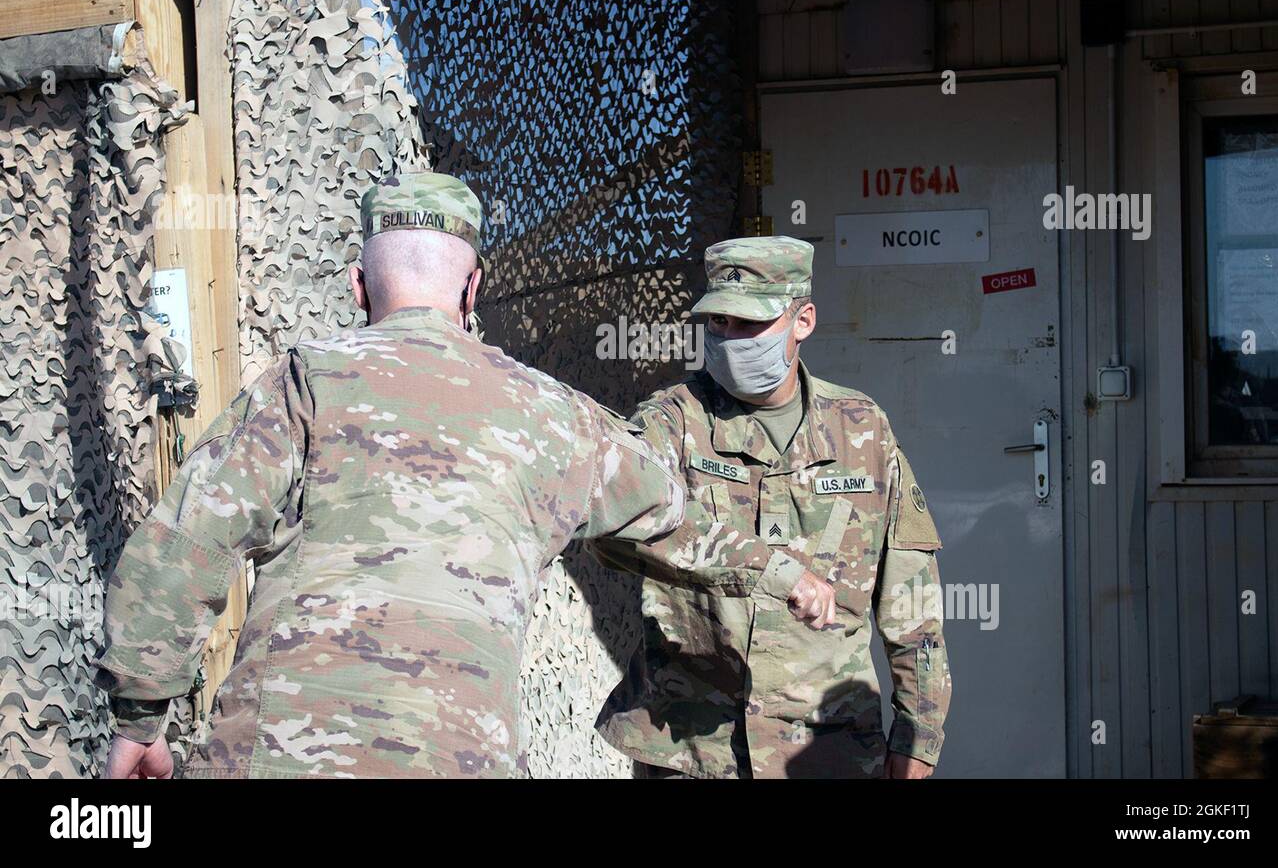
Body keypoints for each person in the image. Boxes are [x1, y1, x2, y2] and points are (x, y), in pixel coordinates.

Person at [95, 175, 835, 779]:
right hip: (458, 757)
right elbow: (673, 523)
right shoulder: (552, 416)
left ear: (357, 286)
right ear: (474, 288)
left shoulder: (300, 386)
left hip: (273, 755)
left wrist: (140, 718)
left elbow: (183, 545)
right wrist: (782, 574)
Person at [596, 236, 951, 778]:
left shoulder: (862, 428)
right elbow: (613, 523)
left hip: (827, 751)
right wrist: (769, 570)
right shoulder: (673, 424)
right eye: (718, 324)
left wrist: (917, 739)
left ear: (802, 320)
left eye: (749, 325)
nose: (730, 339)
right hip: (695, 748)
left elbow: (912, 603)